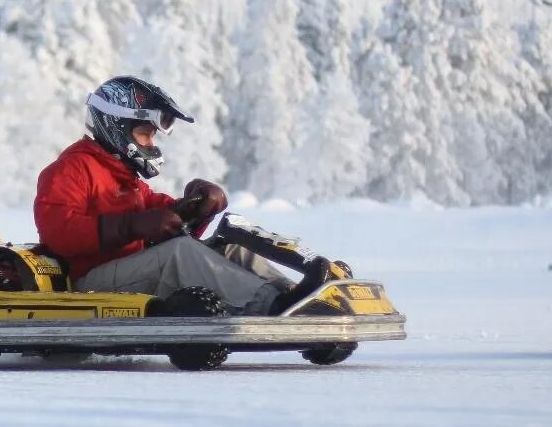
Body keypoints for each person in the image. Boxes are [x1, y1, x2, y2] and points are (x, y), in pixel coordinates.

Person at [33, 76, 332, 316]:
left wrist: (196, 207)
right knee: (180, 254)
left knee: (227, 248)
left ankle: (296, 299)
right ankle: (269, 306)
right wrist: (131, 226)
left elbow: (157, 216)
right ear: (117, 126)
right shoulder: (71, 168)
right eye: (144, 134)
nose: (150, 143)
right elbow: (59, 232)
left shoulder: (122, 175)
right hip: (89, 283)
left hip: (132, 271)